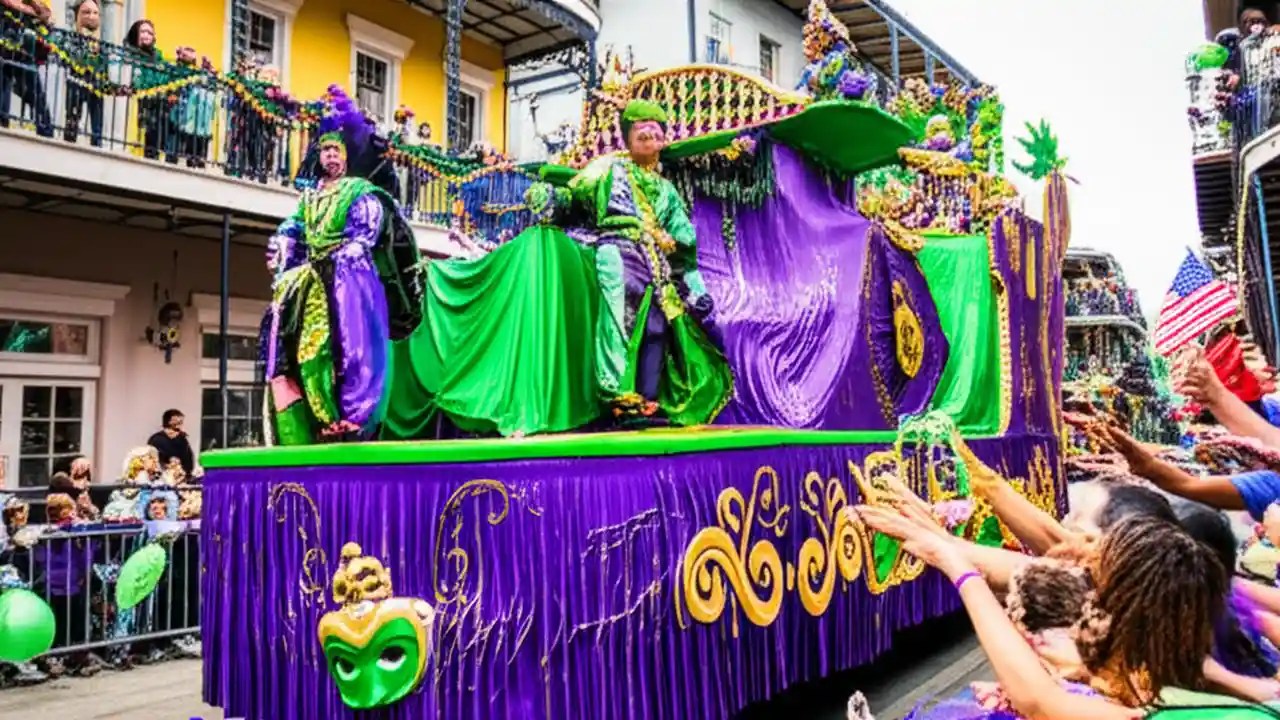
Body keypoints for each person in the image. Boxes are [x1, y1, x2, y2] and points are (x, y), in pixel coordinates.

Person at [860, 504, 1227, 717]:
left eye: (1099, 567)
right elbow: (1015, 570)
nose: (1085, 562)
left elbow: (1038, 701)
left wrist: (958, 568)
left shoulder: (1161, 700)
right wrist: (945, 543)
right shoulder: (1148, 650)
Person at [527, 99, 732, 425]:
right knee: (620, 322)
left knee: (656, 328)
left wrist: (695, 289)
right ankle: (619, 399)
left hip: (656, 264)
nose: (649, 134)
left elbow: (686, 246)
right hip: (618, 251)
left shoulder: (666, 191)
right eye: (640, 129)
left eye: (655, 129)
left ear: (663, 138)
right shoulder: (609, 169)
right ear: (628, 138)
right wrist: (550, 199)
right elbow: (574, 195)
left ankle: (647, 401)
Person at [261, 85, 421, 444]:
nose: (330, 156)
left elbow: (367, 229)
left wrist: (346, 253)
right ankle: (321, 414)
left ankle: (354, 412)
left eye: (336, 150)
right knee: (306, 347)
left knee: (352, 344)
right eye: (325, 150)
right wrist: (283, 242)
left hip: (348, 275)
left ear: (346, 156)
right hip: (313, 278)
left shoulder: (358, 191)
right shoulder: (310, 196)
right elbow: (294, 226)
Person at [123, 19, 175, 162]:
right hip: (138, 107)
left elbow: (165, 80)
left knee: (154, 143)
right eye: (143, 31)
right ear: (136, 35)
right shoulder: (128, 55)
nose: (147, 35)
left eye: (150, 33)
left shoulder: (159, 60)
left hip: (157, 109)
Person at [0, 0, 53, 137]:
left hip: (26, 44)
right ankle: (2, 122)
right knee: (4, 80)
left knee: (34, 88)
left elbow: (46, 14)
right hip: (5, 34)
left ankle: (46, 129)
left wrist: (31, 6)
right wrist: (30, 8)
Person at [62, 0, 105, 147]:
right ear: (77, 17)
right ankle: (69, 141)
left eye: (95, 13)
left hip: (96, 85)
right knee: (72, 117)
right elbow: (67, 58)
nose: (91, 16)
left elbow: (105, 67)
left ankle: (97, 145)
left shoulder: (102, 45)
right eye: (86, 12)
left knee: (97, 124)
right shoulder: (70, 39)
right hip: (76, 81)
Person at [147, 409, 194, 475]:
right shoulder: (156, 440)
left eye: (181, 422)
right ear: (168, 422)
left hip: (180, 477)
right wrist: (168, 466)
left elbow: (188, 461)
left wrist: (184, 472)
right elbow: (150, 461)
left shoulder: (182, 440)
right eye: (177, 422)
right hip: (161, 479)